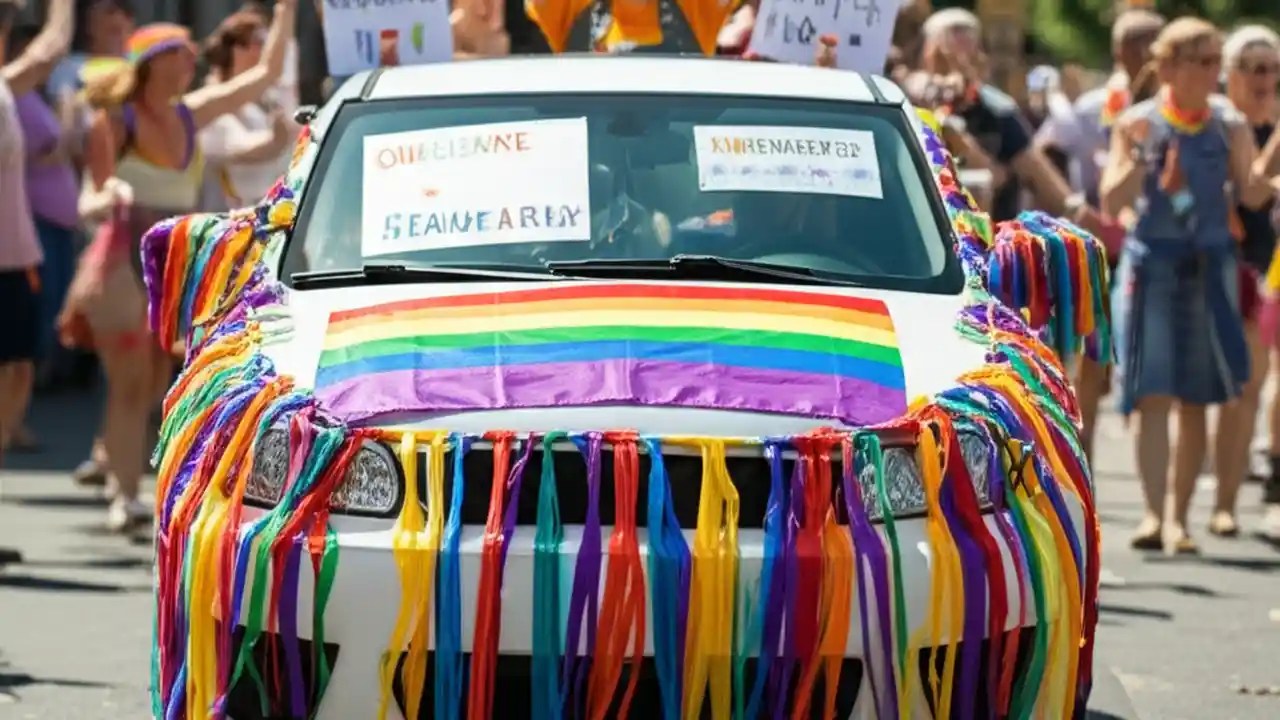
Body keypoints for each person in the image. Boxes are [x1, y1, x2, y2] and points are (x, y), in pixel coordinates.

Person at [62, 1, 296, 532]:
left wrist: (286, 11)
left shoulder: (191, 113)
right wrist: (109, 196)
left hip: (178, 265)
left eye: (192, 57)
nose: (189, 65)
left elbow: (263, 75)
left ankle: (139, 482)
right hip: (121, 260)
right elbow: (87, 199)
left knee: (160, 383)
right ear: (153, 63)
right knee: (129, 383)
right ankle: (124, 495)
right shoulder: (115, 120)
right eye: (179, 56)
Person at [1101, 17, 1278, 554]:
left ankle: (1181, 520)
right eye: (1202, 61)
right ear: (1171, 65)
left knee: (1196, 398)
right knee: (1152, 393)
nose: (1212, 72)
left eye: (1214, 61)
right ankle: (1153, 515)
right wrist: (1138, 156)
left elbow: (1250, 196)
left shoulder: (1229, 125)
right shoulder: (1137, 122)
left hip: (1210, 267)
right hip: (1151, 266)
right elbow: (1113, 201)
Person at [1035, 9, 1165, 468]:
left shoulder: (1172, 112)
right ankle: (1079, 450)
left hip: (1151, 243)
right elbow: (1045, 152)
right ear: (1119, 51)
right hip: (1091, 246)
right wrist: (1075, 206)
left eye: (1157, 41)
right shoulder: (1093, 108)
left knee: (1108, 363)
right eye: (1140, 42)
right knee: (1088, 352)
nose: (1149, 51)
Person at [905, 9, 1104, 233]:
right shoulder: (904, 102)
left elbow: (1020, 181)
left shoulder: (997, 111)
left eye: (968, 58)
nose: (957, 70)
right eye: (944, 60)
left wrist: (956, 137)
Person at [6, 21, 84, 454]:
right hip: (30, 228)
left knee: (31, 342)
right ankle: (11, 424)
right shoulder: (12, 94)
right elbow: (52, 152)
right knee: (26, 341)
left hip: (37, 237)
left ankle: (12, 422)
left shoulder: (25, 96)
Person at [1215, 25, 1280, 537]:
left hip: (1269, 269)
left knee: (1252, 389)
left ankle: (1230, 502)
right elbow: (1250, 194)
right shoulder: (1221, 125)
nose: (1266, 78)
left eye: (1273, 67)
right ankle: (1200, 502)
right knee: (1231, 392)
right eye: (1255, 67)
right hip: (1223, 268)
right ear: (1231, 75)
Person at [198, 9, 298, 212]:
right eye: (258, 42)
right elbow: (249, 148)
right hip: (233, 226)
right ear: (236, 50)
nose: (265, 50)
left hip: (273, 216)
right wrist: (278, 137)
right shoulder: (209, 106)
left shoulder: (268, 100)